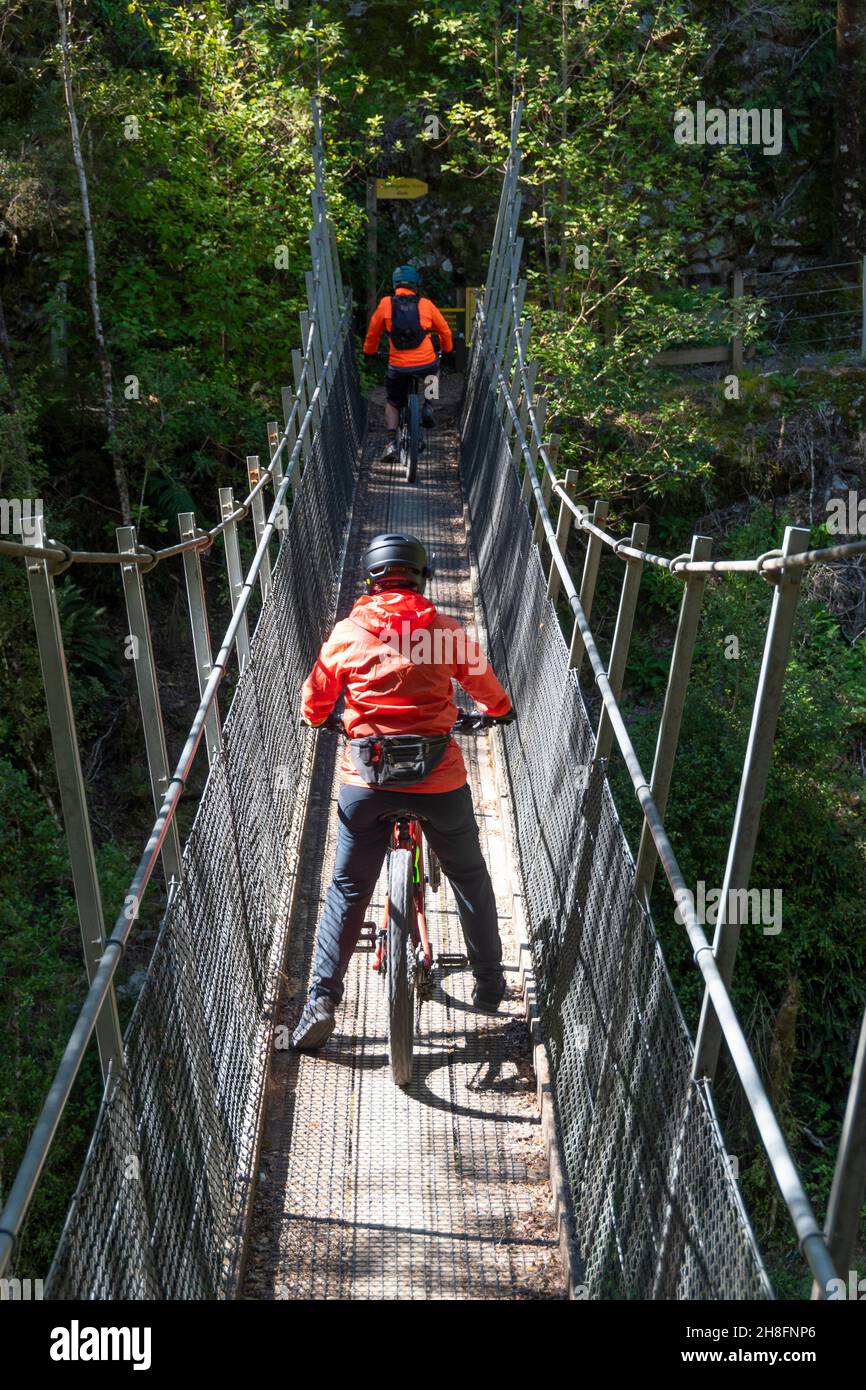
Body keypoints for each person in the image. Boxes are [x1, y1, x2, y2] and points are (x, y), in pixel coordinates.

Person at [292, 533, 514, 1050]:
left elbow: (314, 702)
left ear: (371, 579)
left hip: (366, 783)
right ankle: (488, 981)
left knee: (347, 888)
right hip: (438, 782)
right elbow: (490, 694)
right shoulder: (444, 632)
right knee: (468, 874)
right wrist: (498, 713)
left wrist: (326, 720)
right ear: (422, 576)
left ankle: (321, 1000)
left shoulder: (347, 633)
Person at [363, 266, 455, 461]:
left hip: (398, 366)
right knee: (433, 373)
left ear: (395, 283)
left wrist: (369, 353)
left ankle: (391, 443)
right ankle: (429, 405)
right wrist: (447, 350)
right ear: (415, 284)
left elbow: (373, 332)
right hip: (426, 363)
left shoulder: (386, 304)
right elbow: (445, 331)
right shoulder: (426, 305)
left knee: (393, 403)